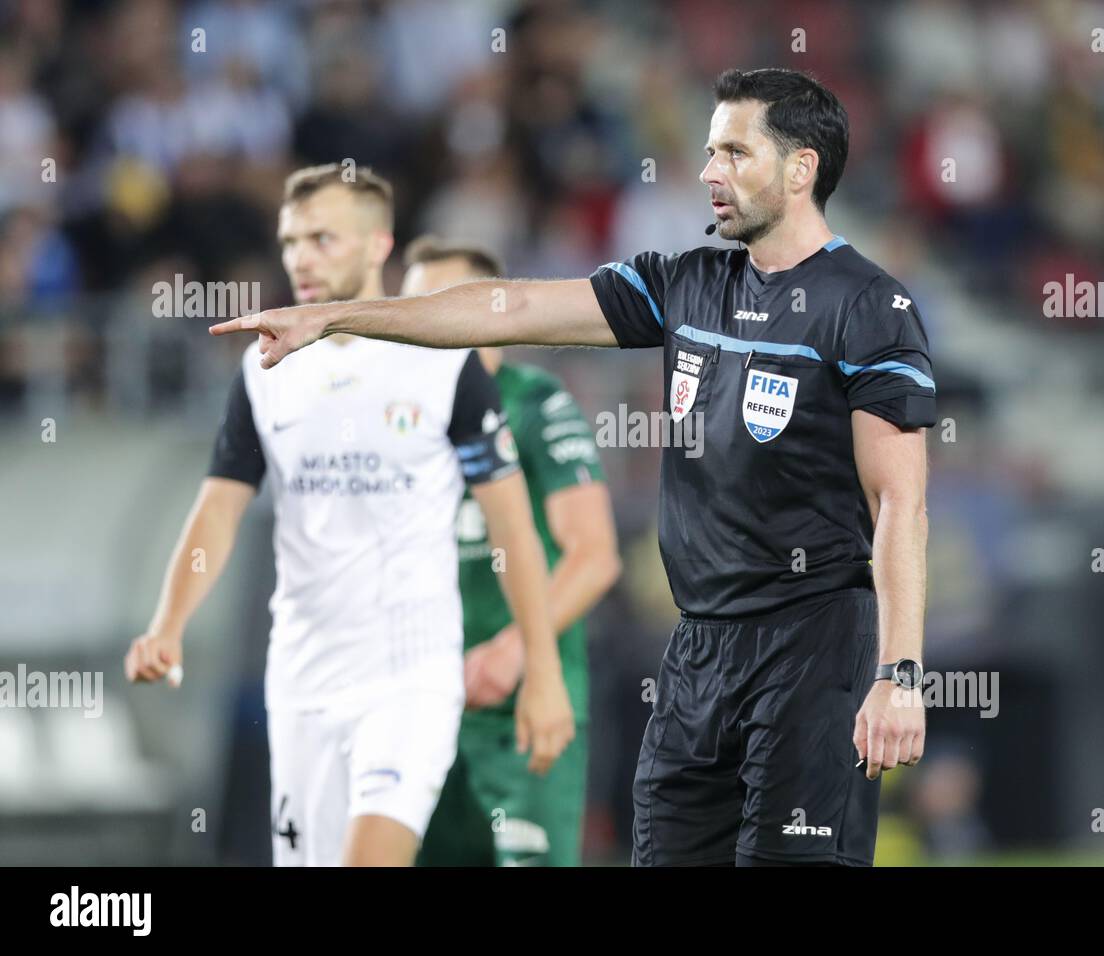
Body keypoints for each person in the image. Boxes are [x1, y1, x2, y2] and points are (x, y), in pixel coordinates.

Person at [212, 68, 936, 867]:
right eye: (708, 152)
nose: (708, 173)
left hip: (814, 651)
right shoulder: (684, 285)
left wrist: (899, 672)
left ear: (801, 169)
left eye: (734, 152)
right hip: (697, 652)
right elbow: (510, 307)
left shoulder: (869, 307)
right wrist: (340, 316)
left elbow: (901, 503)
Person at [126, 164, 573, 867]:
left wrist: (541, 672)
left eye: (323, 238)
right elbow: (218, 508)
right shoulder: (262, 368)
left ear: (376, 247)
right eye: (291, 240)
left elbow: (513, 527)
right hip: (302, 679)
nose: (301, 257)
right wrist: (169, 623)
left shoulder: (443, 360)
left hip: (408, 677)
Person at [401, 236, 621, 866]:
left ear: (494, 313)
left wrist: (514, 649)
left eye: (444, 304)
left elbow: (595, 555)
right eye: (412, 306)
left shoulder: (534, 405)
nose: (422, 323)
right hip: (416, 712)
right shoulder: (399, 419)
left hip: (519, 708)